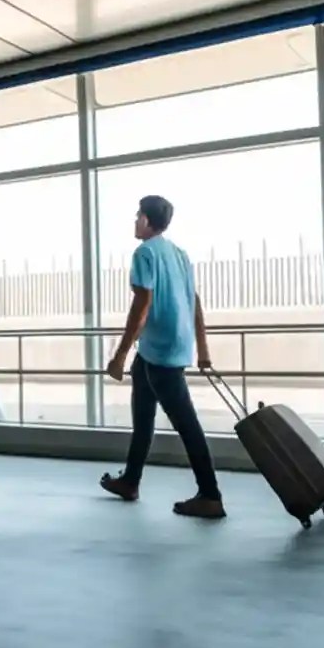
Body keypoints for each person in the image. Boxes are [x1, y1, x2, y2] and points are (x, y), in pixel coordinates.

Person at [99, 195, 226, 519]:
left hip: (162, 352)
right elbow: (194, 302)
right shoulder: (179, 255)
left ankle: (210, 495)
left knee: (187, 424)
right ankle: (130, 481)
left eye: (137, 215)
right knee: (143, 415)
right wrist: (203, 348)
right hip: (167, 347)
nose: (134, 220)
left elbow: (142, 305)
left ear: (147, 220)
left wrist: (119, 355)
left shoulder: (145, 253)